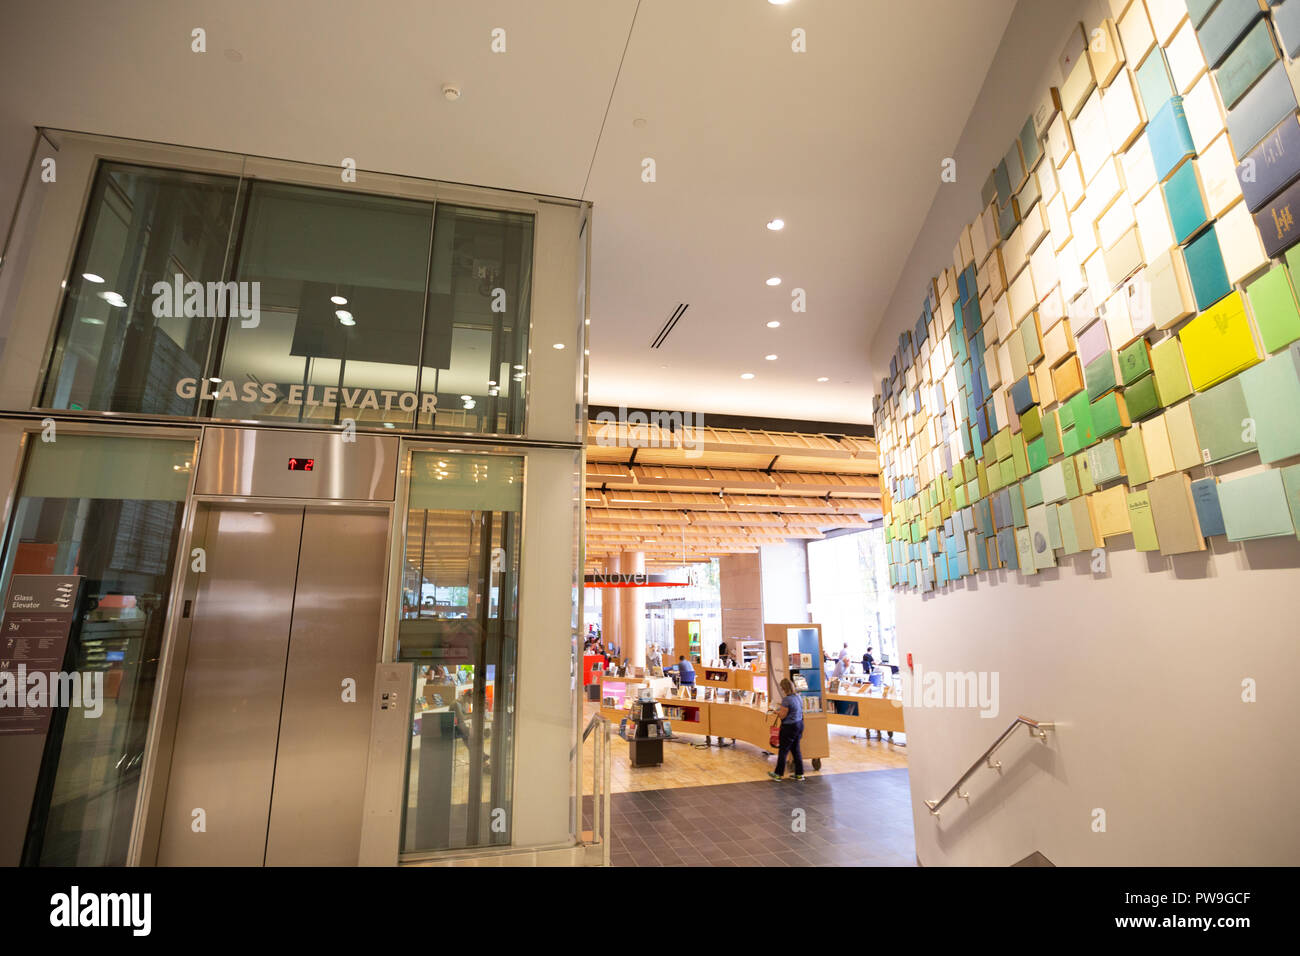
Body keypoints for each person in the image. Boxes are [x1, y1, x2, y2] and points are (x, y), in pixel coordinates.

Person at [768, 678, 805, 781]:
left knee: (783, 750)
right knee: (796, 750)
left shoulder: (787, 700)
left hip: (789, 727)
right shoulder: (798, 697)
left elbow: (783, 716)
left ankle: (778, 774)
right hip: (799, 725)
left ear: (784, 688)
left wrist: (776, 712)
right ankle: (799, 773)